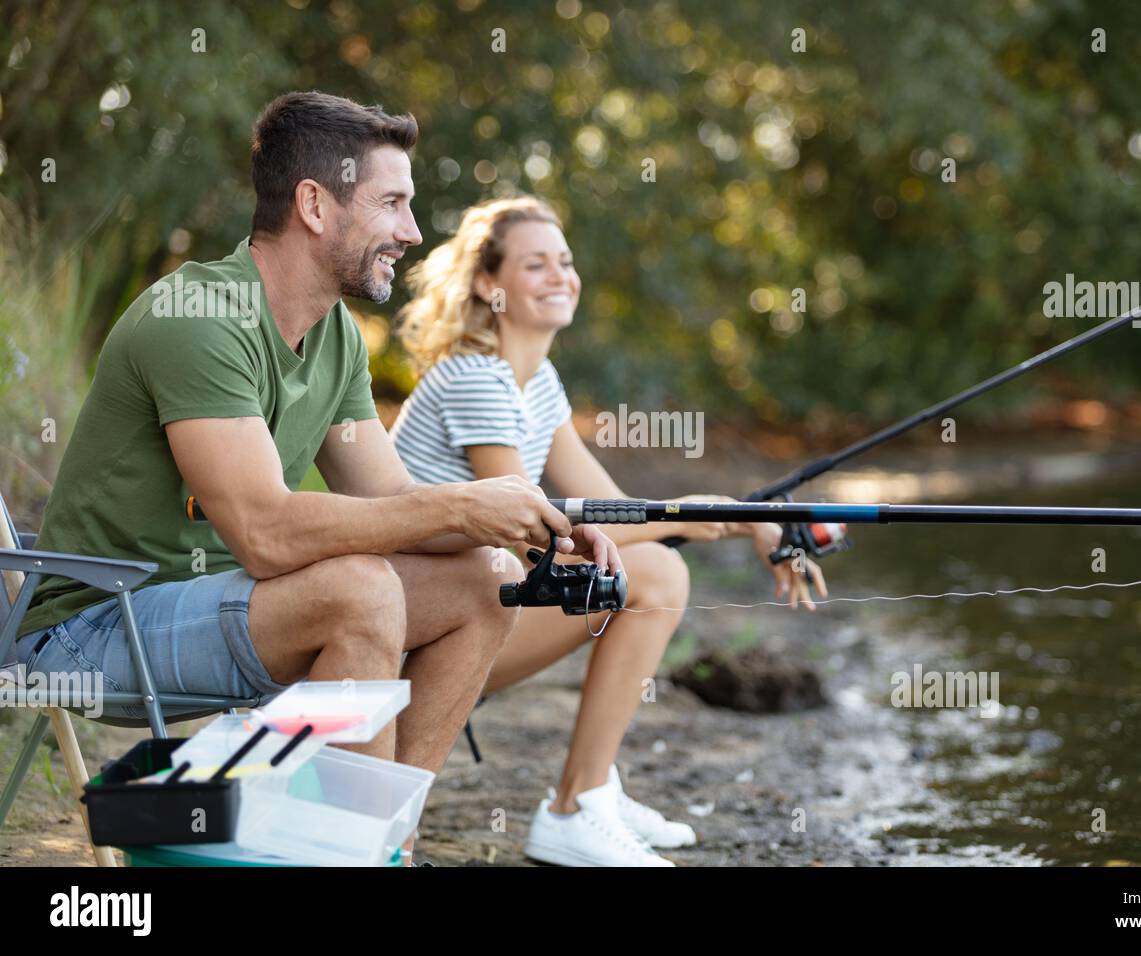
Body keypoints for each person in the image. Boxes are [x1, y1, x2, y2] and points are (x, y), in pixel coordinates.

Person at [10, 94, 619, 864]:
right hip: (93, 628)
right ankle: (352, 853)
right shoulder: (199, 316)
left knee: (487, 577)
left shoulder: (334, 335)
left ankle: (384, 845)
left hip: (223, 608)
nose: (412, 231)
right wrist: (463, 503)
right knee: (359, 592)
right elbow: (265, 534)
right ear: (314, 205)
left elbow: (392, 499)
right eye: (392, 203)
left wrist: (533, 529)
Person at [390, 195, 828, 866]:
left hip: (471, 611)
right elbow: (533, 533)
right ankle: (574, 806)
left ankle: (593, 790)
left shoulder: (537, 383)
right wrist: (696, 517)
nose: (559, 276)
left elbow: (616, 512)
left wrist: (755, 523)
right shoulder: (475, 377)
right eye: (535, 264)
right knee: (654, 575)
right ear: (486, 283)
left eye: (564, 261)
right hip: (418, 638)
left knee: (655, 568)